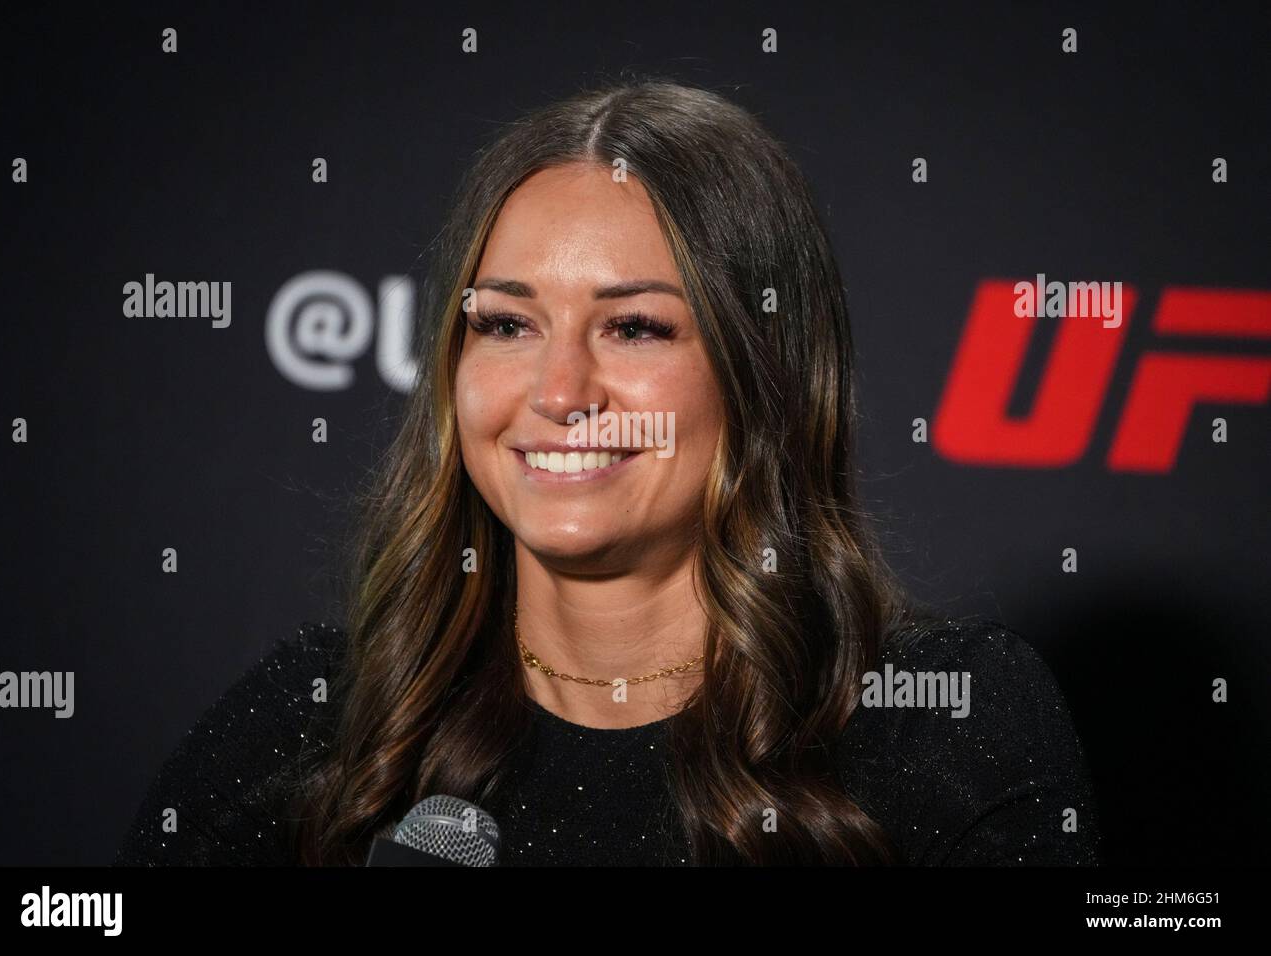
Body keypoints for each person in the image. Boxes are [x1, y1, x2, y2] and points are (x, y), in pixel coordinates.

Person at [114, 78, 1100, 867]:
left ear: (763, 371)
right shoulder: (319, 721)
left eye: (632, 326)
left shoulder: (939, 720)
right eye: (506, 322)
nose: (559, 388)